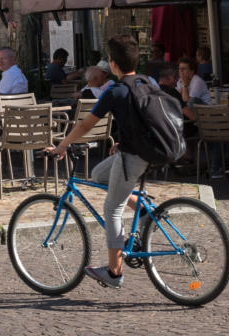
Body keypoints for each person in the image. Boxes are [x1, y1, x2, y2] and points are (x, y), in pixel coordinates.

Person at [47, 34, 148, 291]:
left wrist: (63, 144)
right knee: (98, 174)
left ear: (112, 65)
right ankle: (143, 209)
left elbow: (85, 124)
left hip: (133, 157)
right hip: (148, 151)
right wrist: (122, 142)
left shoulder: (116, 90)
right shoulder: (147, 82)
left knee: (112, 209)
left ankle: (114, 273)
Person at [0, 47, 28, 111]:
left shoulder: (10, 74)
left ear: (12, 59)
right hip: (17, 114)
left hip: (7, 117)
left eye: (3, 58)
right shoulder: (17, 72)